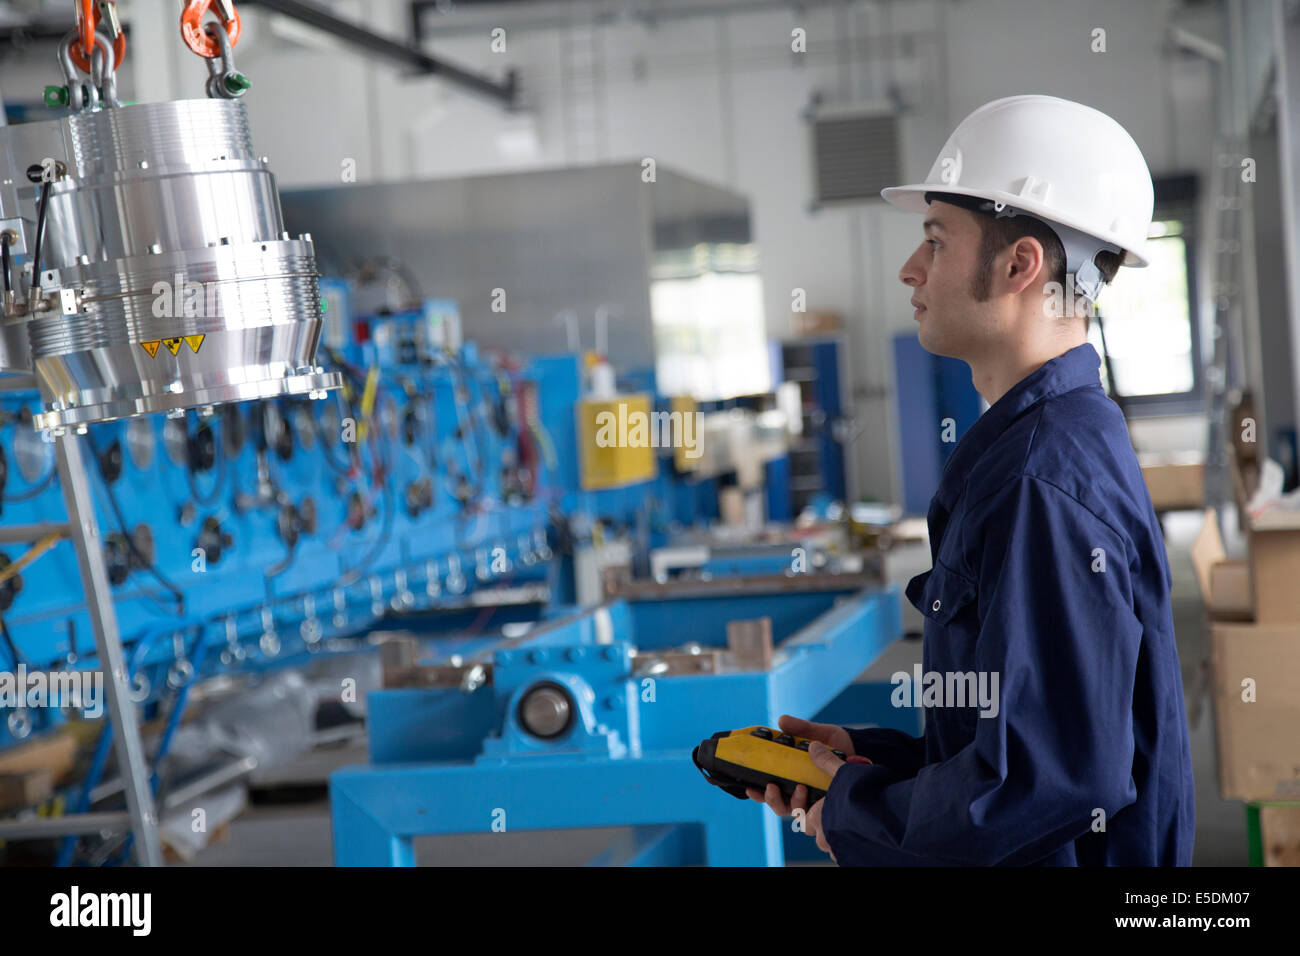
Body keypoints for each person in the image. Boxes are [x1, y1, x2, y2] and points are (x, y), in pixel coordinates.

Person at [749, 95, 1195, 866]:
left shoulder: (1041, 480)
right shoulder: (1041, 446)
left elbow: (1051, 780)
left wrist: (856, 813)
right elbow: (1017, 734)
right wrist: (868, 762)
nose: (909, 269)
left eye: (934, 240)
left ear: (1020, 264)